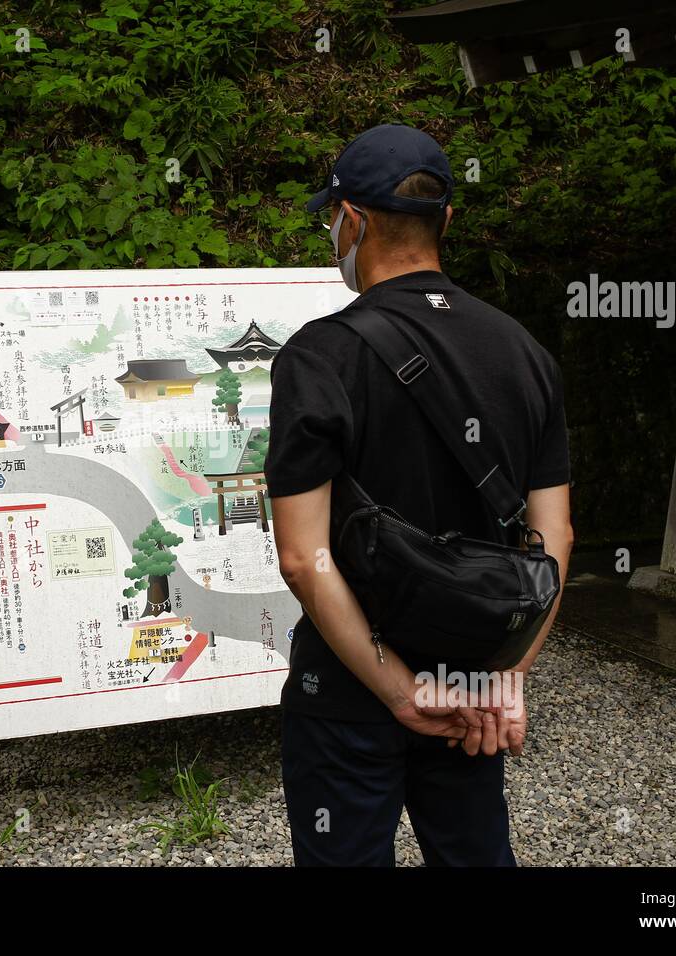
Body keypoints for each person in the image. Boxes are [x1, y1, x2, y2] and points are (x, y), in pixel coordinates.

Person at [264, 124, 574, 866]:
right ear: (448, 221)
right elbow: (553, 542)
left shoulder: (319, 356)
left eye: (331, 220)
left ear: (352, 221)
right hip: (473, 673)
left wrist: (401, 693)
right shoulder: (524, 353)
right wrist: (502, 680)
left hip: (347, 687)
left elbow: (306, 560)